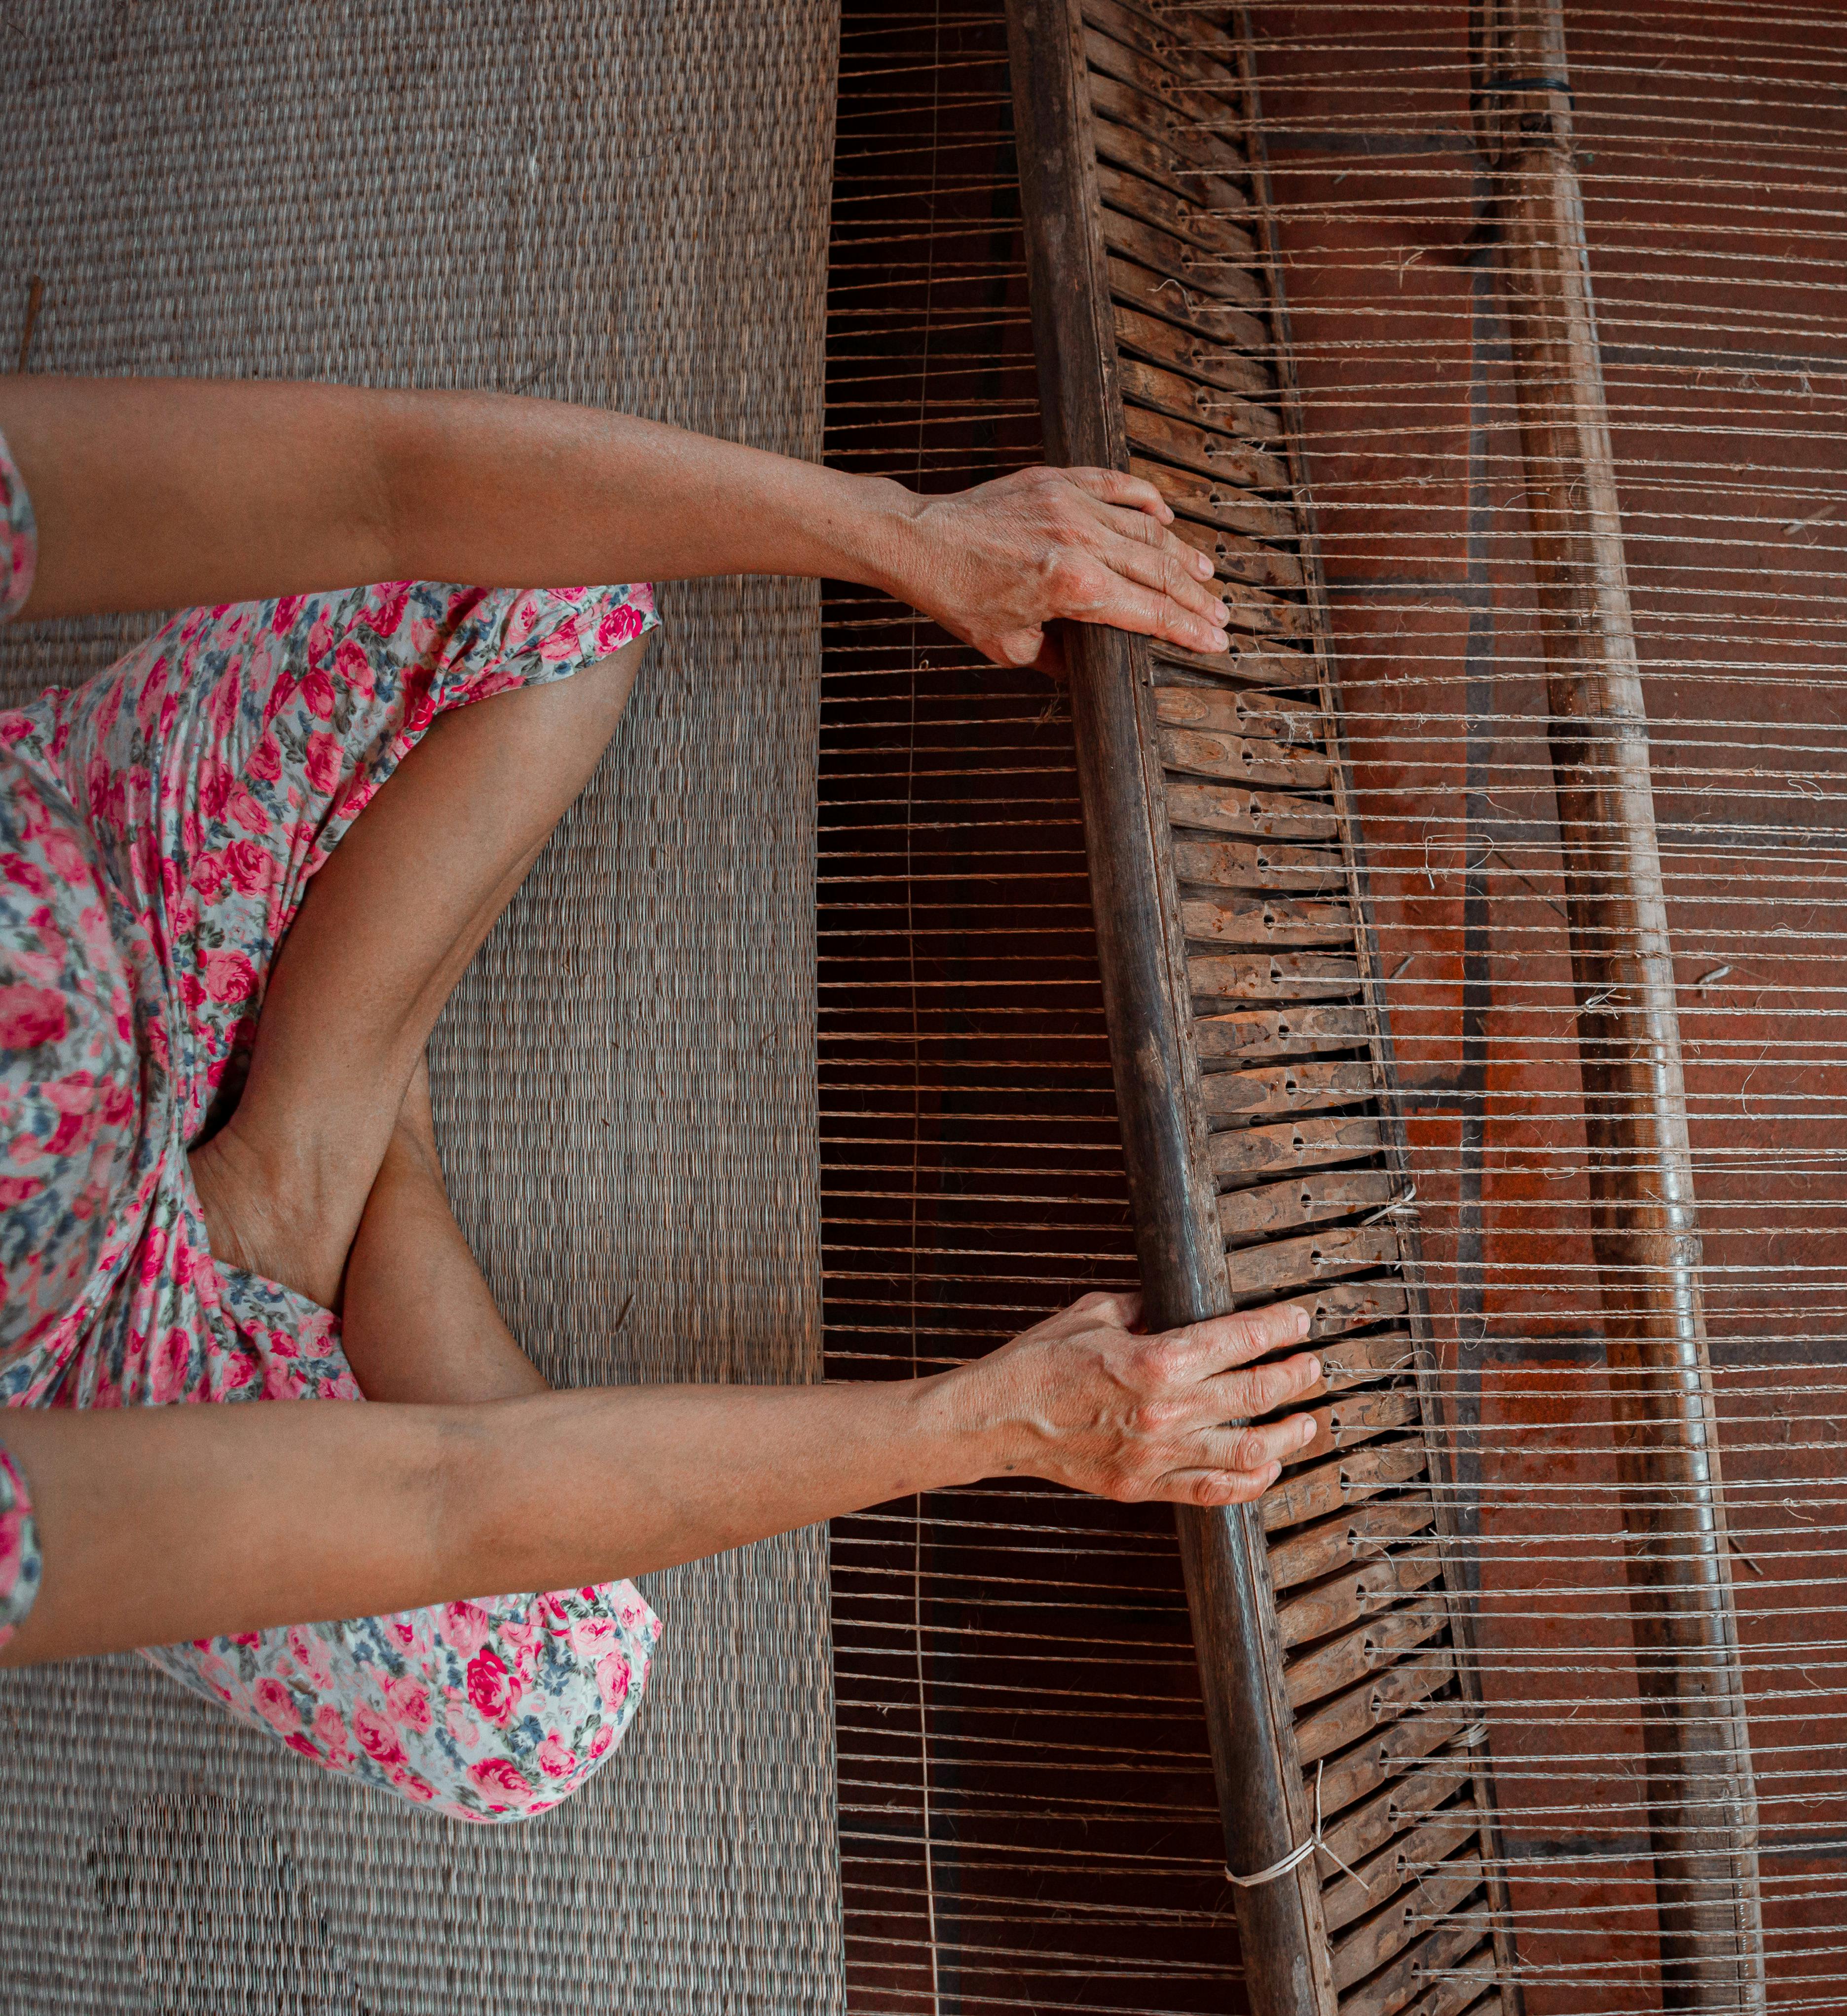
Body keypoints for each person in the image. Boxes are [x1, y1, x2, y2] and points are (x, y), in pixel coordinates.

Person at [0, 376, 1326, 1822]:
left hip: (122, 867)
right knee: (545, 1696)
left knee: (538, 570)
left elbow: (385, 479)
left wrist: (906, 532)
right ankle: (358, 1137)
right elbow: (434, 1501)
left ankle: (317, 1136)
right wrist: (995, 1422)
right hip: (97, 1343)